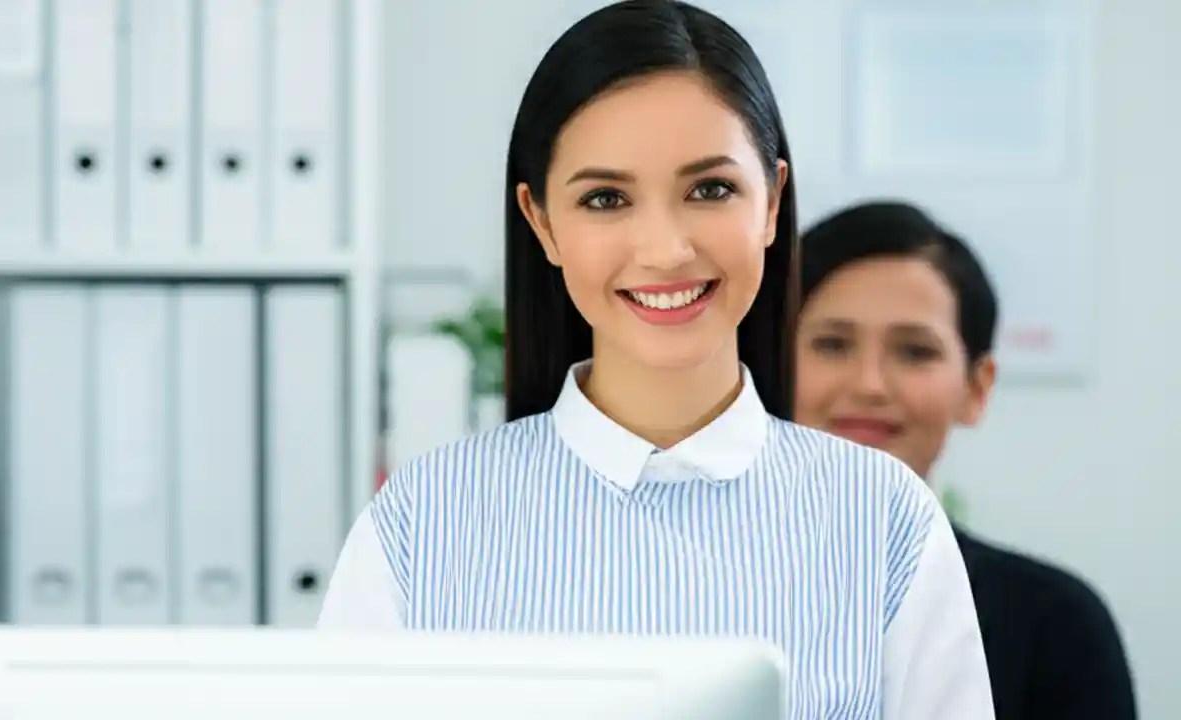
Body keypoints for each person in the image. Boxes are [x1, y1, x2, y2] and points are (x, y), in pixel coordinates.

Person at [320, 2, 994, 717]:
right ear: (542, 223)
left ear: (771, 204)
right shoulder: (423, 523)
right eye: (606, 198)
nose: (666, 250)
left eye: (710, 189)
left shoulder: (885, 521)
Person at [794, 200, 1137, 720]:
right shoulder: (693, 585)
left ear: (976, 387)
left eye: (914, 352)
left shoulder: (1055, 623)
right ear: (770, 366)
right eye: (832, 344)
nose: (868, 384)